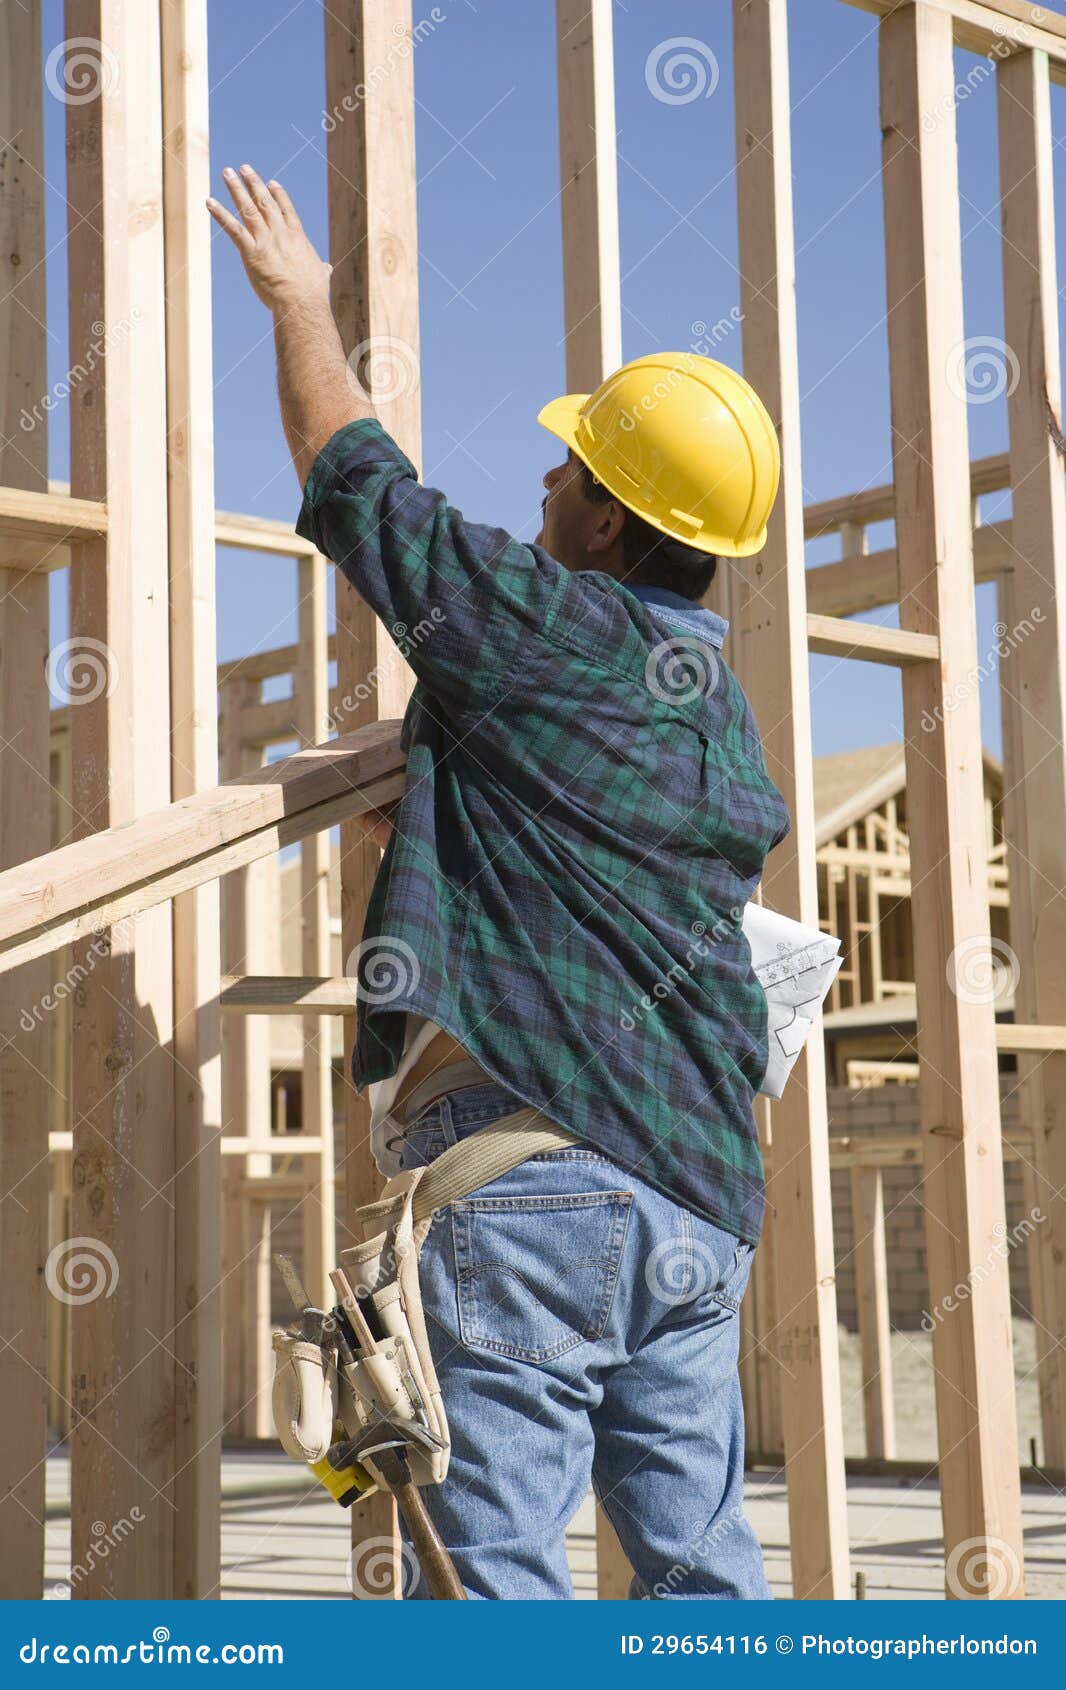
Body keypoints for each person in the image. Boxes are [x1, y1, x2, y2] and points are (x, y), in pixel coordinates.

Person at [209, 165, 789, 1600]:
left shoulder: (547, 631)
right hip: (697, 1200)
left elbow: (360, 484)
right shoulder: (713, 706)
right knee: (701, 1582)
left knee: (493, 1593)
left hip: (534, 1185)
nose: (544, 478)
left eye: (572, 469)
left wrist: (300, 304)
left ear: (606, 525)